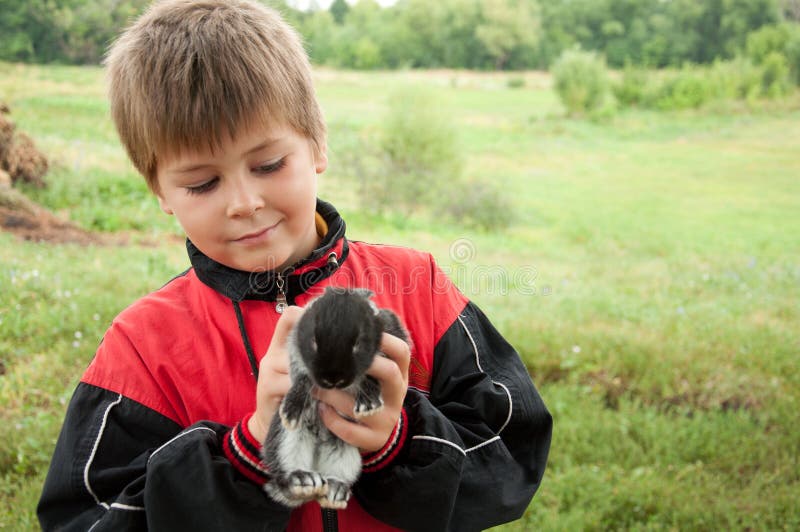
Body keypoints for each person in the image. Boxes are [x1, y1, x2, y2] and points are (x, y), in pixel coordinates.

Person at [36, 1, 552, 530]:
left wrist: (400, 442)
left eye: (268, 165)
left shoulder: (418, 288)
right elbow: (87, 517)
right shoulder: (143, 347)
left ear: (317, 145)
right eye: (201, 183)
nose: (244, 202)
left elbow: (513, 452)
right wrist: (249, 449)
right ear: (160, 191)